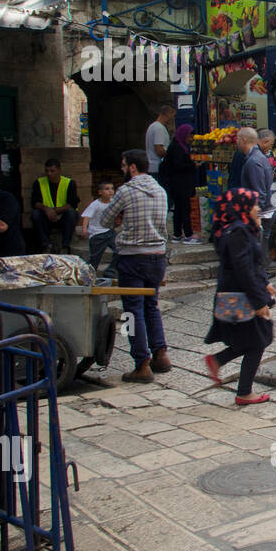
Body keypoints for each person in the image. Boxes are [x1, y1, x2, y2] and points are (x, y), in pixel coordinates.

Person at [100, 149, 170, 383]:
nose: (121, 169)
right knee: (152, 305)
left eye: (123, 165)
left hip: (132, 257)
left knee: (132, 311)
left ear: (132, 167)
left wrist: (120, 218)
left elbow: (105, 219)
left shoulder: (126, 191)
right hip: (157, 256)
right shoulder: (160, 190)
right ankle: (160, 353)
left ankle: (141, 363)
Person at [203, 188, 276, 405]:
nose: (257, 208)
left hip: (243, 292)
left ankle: (218, 360)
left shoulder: (241, 229)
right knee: (258, 340)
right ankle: (244, 392)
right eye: (253, 204)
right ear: (241, 207)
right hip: (241, 296)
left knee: (253, 337)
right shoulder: (238, 232)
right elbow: (243, 270)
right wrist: (259, 302)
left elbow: (251, 264)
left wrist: (265, 283)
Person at [236, 127, 275, 267]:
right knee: (261, 244)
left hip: (261, 212)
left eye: (237, 139)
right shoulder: (257, 158)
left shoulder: (254, 161)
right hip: (263, 211)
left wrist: (256, 214)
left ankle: (261, 274)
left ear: (243, 140)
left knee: (258, 244)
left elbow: (259, 192)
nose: (236, 142)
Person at [30, 158, 80, 253]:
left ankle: (65, 246)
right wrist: (47, 210)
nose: (49, 174)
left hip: (63, 216)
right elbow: (35, 202)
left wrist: (55, 211)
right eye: (47, 171)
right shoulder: (39, 183)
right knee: (35, 214)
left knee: (71, 213)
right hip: (46, 216)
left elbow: (73, 203)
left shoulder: (69, 183)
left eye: (52, 171)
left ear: (59, 170)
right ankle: (46, 245)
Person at [160, 124, 199, 243]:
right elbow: (177, 166)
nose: (190, 139)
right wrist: (193, 165)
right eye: (189, 137)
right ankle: (188, 235)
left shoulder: (178, 146)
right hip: (180, 184)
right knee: (184, 208)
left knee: (178, 209)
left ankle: (177, 234)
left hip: (177, 183)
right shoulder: (177, 148)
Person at [79, 181, 118, 277]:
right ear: (100, 192)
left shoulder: (114, 202)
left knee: (119, 250)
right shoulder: (95, 204)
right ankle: (87, 276)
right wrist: (84, 229)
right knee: (95, 257)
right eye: (107, 189)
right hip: (97, 234)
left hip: (110, 231)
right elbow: (87, 217)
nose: (110, 191)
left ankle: (111, 271)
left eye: (112, 189)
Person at [145, 104, 174, 183]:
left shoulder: (153, 126)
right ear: (168, 114)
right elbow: (159, 149)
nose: (173, 119)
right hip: (157, 167)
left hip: (153, 166)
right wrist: (171, 156)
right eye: (173, 116)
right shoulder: (159, 128)